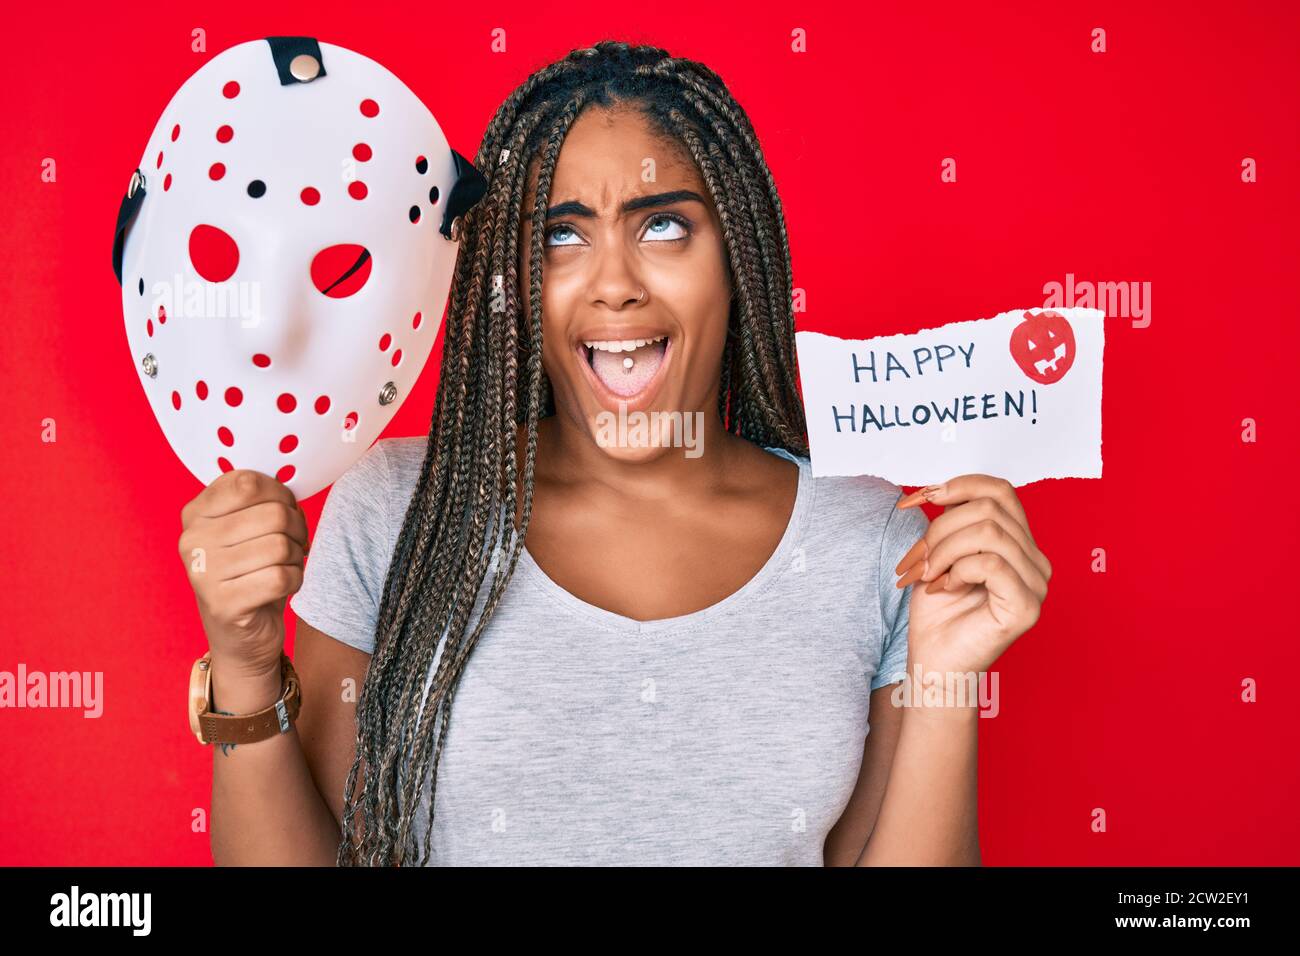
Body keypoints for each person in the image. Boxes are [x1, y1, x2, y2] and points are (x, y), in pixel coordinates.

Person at [179, 40, 1051, 867]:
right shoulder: (396, 509)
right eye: (561, 236)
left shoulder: (877, 538)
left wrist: (946, 681)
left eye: (663, 226)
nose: (614, 280)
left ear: (738, 256)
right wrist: (246, 668)